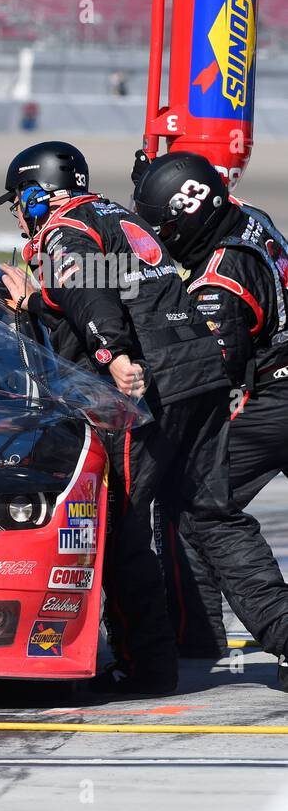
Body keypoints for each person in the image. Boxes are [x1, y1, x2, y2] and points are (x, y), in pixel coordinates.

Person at [0, 140, 230, 693]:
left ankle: (149, 669)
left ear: (35, 192)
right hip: (198, 373)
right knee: (208, 517)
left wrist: (113, 356)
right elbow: (108, 289)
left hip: (144, 386)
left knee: (120, 528)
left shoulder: (62, 228)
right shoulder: (112, 213)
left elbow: (88, 295)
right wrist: (39, 303)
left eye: (18, 200)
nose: (19, 212)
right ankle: (209, 639)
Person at [133, 150, 288, 673]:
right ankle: (196, 636)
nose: (162, 240)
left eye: (166, 228)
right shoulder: (247, 216)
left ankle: (265, 630)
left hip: (277, 401)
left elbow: (204, 376)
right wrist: (156, 180)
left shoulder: (219, 284)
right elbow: (197, 189)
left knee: (197, 501)